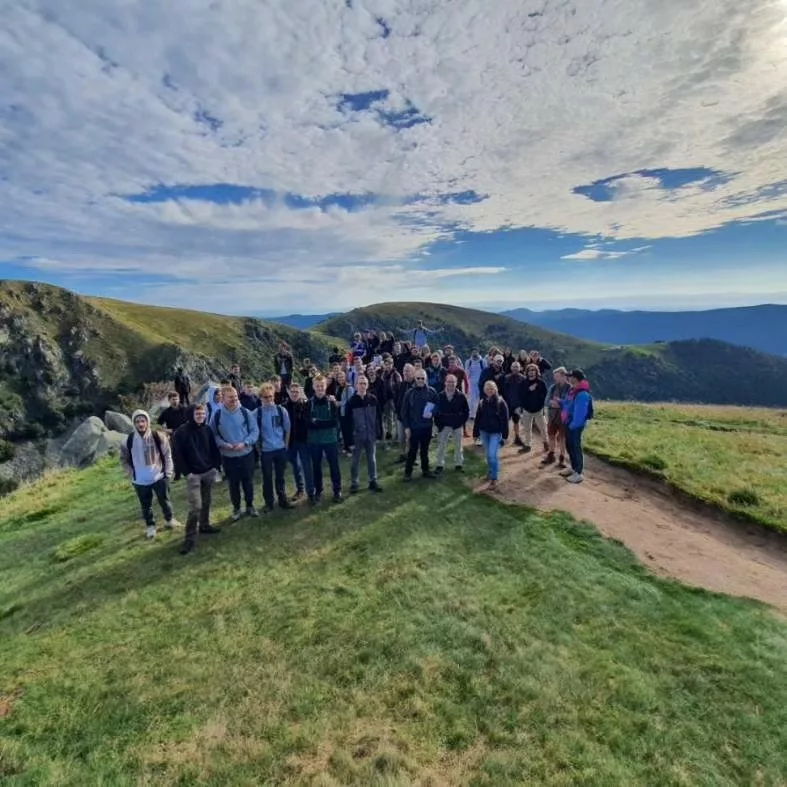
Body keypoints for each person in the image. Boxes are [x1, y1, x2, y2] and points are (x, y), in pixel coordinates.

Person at [120, 410, 179, 539]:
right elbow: (123, 459)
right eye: (137, 421)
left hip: (158, 477)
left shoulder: (158, 436)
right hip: (140, 481)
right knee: (146, 506)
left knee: (165, 500)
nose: (140, 424)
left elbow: (167, 455)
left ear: (147, 421)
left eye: (143, 421)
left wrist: (168, 473)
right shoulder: (127, 441)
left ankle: (169, 520)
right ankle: (151, 526)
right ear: (134, 423)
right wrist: (131, 474)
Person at [171, 403, 222, 554]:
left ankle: (205, 525)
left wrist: (215, 466)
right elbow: (177, 455)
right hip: (193, 475)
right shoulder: (181, 433)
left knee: (206, 501)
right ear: (191, 415)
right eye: (197, 414)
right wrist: (186, 473)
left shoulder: (207, 429)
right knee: (196, 507)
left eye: (203, 414)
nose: (201, 417)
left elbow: (213, 449)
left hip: (207, 471)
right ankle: (190, 538)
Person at [210, 384, 259, 521]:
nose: (235, 399)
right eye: (231, 397)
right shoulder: (217, 415)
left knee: (248, 482)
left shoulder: (245, 412)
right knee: (233, 484)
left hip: (246, 454)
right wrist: (224, 445)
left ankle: (250, 506)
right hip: (228, 457)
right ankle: (237, 509)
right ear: (223, 399)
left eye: (236, 396)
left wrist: (245, 443)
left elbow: (254, 431)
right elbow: (212, 434)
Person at [256, 383, 294, 512]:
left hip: (280, 449)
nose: (269, 399)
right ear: (261, 398)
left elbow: (287, 429)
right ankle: (269, 503)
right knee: (267, 478)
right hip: (266, 451)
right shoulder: (257, 413)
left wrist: (285, 446)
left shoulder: (281, 410)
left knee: (280, 476)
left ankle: (283, 500)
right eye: (266, 397)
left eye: (271, 396)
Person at [307, 376, 344, 504]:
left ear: (325, 386)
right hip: (315, 441)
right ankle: (318, 491)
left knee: (334, 466)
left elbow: (334, 422)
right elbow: (308, 423)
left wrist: (317, 422)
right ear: (313, 387)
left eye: (322, 385)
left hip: (330, 440)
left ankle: (337, 490)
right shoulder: (309, 403)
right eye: (317, 386)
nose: (320, 388)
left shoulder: (331, 402)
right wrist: (322, 423)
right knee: (316, 467)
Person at [346, 375, 383, 493]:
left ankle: (373, 481)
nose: (362, 386)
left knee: (372, 459)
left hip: (371, 434)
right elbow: (347, 422)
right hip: (357, 436)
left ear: (367, 385)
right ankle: (354, 483)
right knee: (355, 460)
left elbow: (378, 418)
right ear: (356, 385)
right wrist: (349, 441)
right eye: (360, 383)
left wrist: (378, 433)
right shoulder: (351, 402)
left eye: (364, 384)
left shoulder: (373, 399)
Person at [400, 368, 439, 481]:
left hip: (427, 427)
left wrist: (432, 412)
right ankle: (408, 473)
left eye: (423, 378)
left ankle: (425, 470)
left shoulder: (432, 391)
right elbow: (404, 412)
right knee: (412, 451)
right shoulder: (409, 393)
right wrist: (407, 427)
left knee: (425, 450)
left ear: (426, 378)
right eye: (418, 378)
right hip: (414, 427)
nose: (421, 380)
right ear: (415, 379)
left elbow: (437, 406)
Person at [473, 381, 509, 491]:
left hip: (496, 433)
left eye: (491, 388)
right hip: (484, 432)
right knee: (488, 455)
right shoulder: (482, 402)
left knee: (492, 455)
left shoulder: (501, 402)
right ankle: (491, 470)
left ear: (495, 389)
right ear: (484, 390)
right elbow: (478, 418)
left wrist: (505, 436)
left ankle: (494, 478)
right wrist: (475, 433)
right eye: (487, 388)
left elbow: (505, 420)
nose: (489, 390)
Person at [560, 369, 594, 484]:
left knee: (575, 447)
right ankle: (573, 468)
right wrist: (560, 402)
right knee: (569, 446)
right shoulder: (573, 390)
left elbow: (580, 413)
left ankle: (578, 473)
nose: (568, 378)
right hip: (569, 422)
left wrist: (573, 425)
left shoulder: (582, 394)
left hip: (575, 425)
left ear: (576, 378)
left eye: (570, 376)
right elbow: (568, 403)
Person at [434, 373, 470, 473]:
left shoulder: (461, 396)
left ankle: (459, 464)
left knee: (458, 445)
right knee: (441, 445)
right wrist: (439, 423)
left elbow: (466, 411)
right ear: (445, 383)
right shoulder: (440, 395)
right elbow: (436, 411)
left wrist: (461, 422)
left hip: (457, 425)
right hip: (444, 425)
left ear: (456, 383)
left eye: (453, 382)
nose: (450, 384)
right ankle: (439, 464)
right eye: (449, 382)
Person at [284, 381, 312, 500]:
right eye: (292, 392)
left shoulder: (306, 405)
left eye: (297, 392)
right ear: (289, 392)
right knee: (295, 466)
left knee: (306, 465)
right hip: (290, 442)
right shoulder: (284, 407)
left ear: (300, 393)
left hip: (303, 440)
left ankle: (311, 491)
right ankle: (300, 490)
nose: (294, 394)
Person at [543, 367, 571, 467]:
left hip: (564, 418)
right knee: (551, 436)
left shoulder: (570, 388)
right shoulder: (552, 387)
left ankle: (562, 458)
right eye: (555, 376)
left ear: (564, 376)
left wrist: (559, 403)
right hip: (552, 416)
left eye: (557, 376)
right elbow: (546, 401)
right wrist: (552, 403)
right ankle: (551, 455)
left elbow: (569, 402)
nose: (556, 378)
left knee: (562, 438)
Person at [518, 364, 549, 454]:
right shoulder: (523, 383)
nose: (531, 372)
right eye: (529, 370)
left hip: (539, 410)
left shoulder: (541, 383)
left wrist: (536, 392)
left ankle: (545, 443)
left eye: (533, 370)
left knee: (543, 428)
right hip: (527, 409)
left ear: (536, 371)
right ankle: (528, 445)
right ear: (527, 372)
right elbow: (520, 396)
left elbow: (545, 396)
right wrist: (528, 390)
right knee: (527, 428)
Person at [502, 361, 526, 447]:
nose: (515, 368)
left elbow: (524, 393)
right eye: (514, 366)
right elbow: (503, 391)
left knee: (516, 422)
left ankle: (517, 438)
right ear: (511, 368)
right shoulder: (506, 377)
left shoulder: (523, 378)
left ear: (520, 368)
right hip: (507, 404)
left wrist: (521, 405)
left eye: (517, 367)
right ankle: (504, 438)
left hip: (517, 405)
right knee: (505, 421)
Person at [380, 355, 402, 445]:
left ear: (392, 365)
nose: (388, 366)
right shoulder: (382, 374)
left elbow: (399, 386)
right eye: (386, 364)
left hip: (394, 398)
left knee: (396, 417)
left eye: (389, 364)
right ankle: (389, 432)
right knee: (388, 416)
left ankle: (397, 434)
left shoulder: (396, 374)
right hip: (386, 398)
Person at [335, 370, 355, 455]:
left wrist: (339, 403)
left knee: (349, 430)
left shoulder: (349, 388)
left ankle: (351, 447)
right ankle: (346, 446)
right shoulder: (338, 388)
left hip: (348, 412)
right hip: (340, 412)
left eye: (342, 377)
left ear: (345, 377)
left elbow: (350, 400)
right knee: (343, 430)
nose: (341, 379)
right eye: (339, 377)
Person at [465, 349, 486, 419]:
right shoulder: (468, 362)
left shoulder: (482, 361)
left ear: (478, 353)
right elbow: (466, 372)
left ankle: (481, 413)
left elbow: (485, 371)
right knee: (472, 400)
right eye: (473, 352)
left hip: (481, 383)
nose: (474, 353)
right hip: (472, 383)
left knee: (481, 399)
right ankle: (472, 415)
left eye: (476, 352)